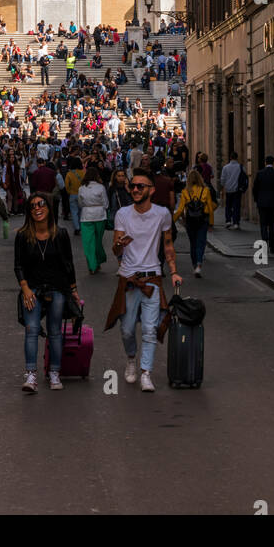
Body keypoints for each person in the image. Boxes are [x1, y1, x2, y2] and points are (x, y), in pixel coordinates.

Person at [104, 167, 182, 393]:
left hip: (152, 278)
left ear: (151, 190)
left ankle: (146, 372)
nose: (135, 189)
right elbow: (116, 251)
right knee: (127, 330)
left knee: (149, 329)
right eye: (133, 186)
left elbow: (168, 245)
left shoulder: (162, 214)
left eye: (140, 186)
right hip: (128, 279)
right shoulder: (123, 214)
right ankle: (131, 359)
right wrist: (120, 245)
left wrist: (174, 271)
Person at [15, 193, 80, 393]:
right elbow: (18, 266)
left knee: (54, 332)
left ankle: (54, 372)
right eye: (33, 206)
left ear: (49, 208)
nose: (37, 208)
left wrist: (73, 290)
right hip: (32, 287)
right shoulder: (23, 235)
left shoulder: (60, 234)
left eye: (41, 204)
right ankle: (31, 374)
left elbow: (68, 264)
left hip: (57, 288)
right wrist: (25, 289)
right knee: (31, 328)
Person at [174, 168, 215, 276]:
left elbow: (180, 209)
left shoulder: (185, 192)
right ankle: (199, 263)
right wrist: (211, 223)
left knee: (193, 243)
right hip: (203, 220)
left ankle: (194, 265)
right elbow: (210, 208)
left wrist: (171, 221)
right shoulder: (205, 190)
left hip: (190, 221)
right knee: (201, 242)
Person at [77, 165, 108, 275]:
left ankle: (92, 264)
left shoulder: (81, 188)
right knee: (98, 241)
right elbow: (106, 203)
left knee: (88, 242)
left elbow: (80, 203)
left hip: (86, 216)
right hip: (100, 216)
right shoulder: (101, 187)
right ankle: (97, 261)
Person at [253, 156, 274, 253]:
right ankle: (272, 247)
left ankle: (264, 243)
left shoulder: (259, 173)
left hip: (262, 202)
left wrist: (257, 199)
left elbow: (255, 188)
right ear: (273, 162)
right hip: (273, 202)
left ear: (265, 162)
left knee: (263, 224)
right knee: (272, 224)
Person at [219, 151, 245, 230]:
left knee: (228, 206)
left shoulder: (225, 167)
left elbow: (223, 179)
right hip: (237, 189)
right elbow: (244, 176)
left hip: (228, 189)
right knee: (236, 206)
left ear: (230, 158)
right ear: (237, 158)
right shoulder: (240, 167)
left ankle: (228, 221)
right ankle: (236, 222)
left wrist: (223, 187)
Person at [64, 154, 84, 234]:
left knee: (74, 212)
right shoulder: (83, 173)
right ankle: (80, 225)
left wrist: (69, 191)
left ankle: (76, 228)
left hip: (72, 194)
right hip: (82, 194)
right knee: (81, 211)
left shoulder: (69, 174)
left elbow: (66, 185)